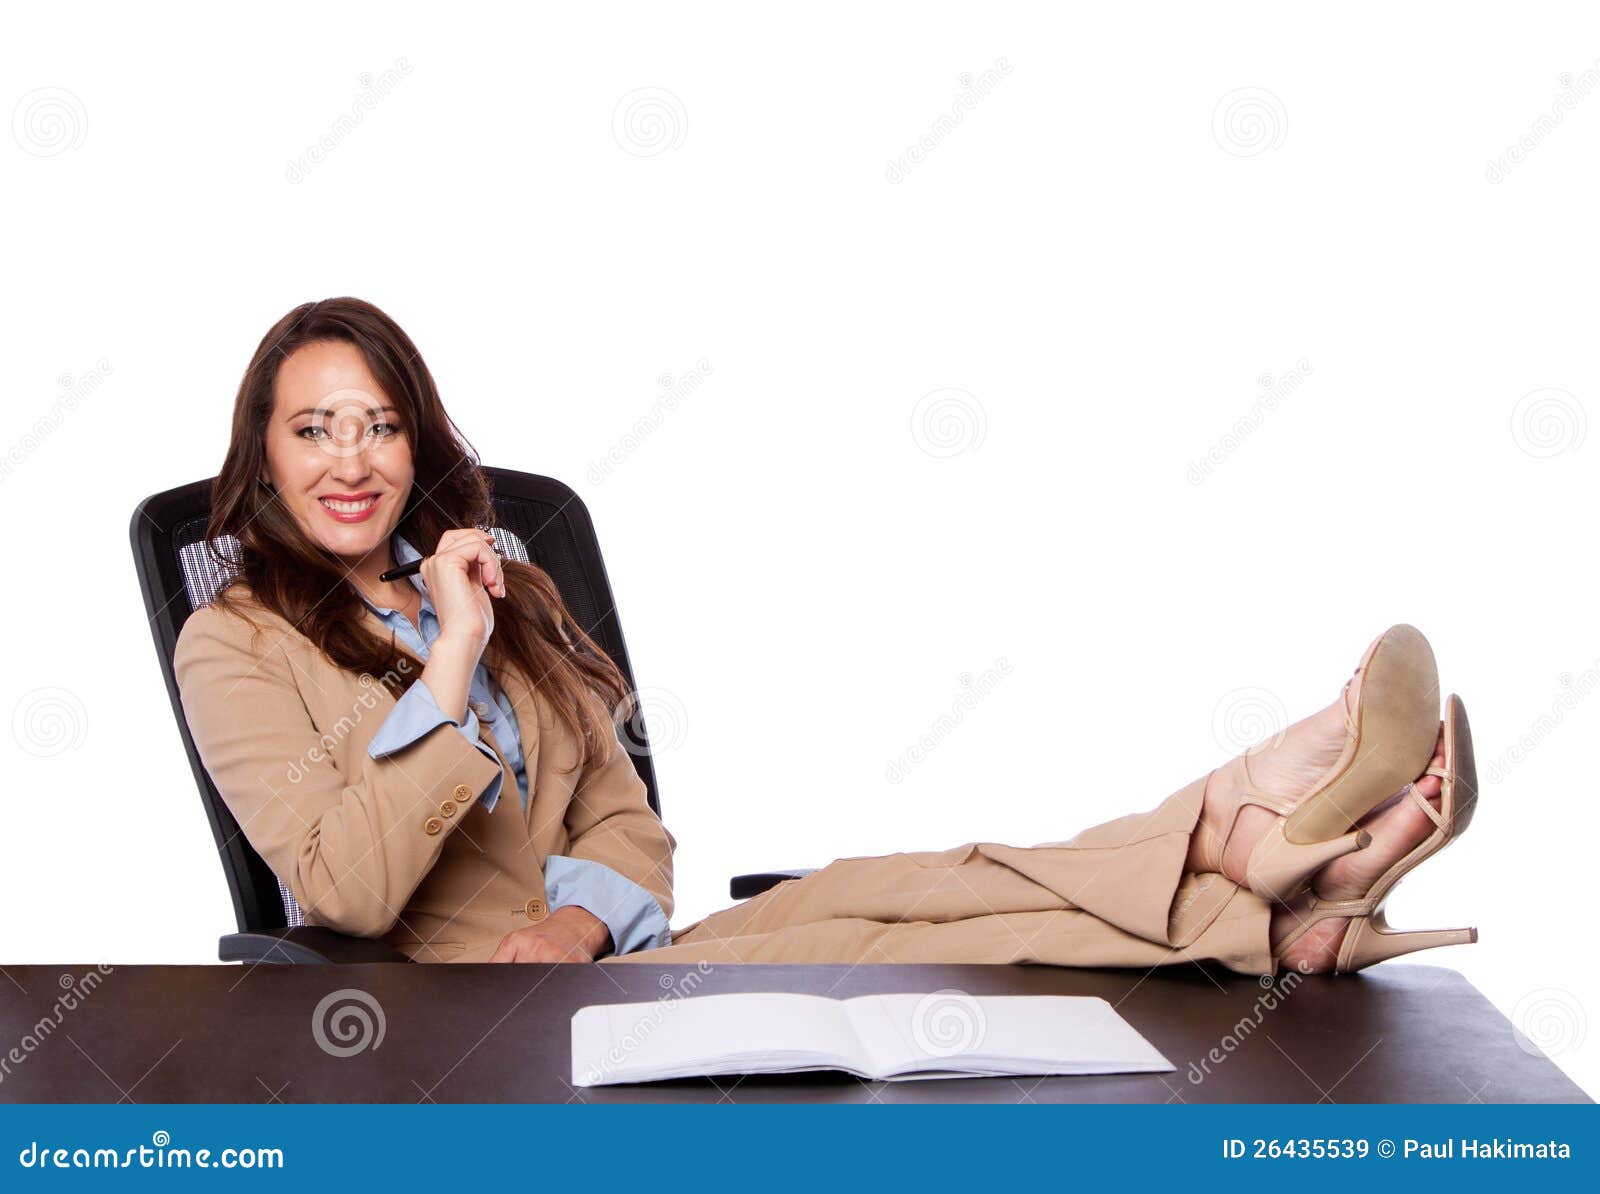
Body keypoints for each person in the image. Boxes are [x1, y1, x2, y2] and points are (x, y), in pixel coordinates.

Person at [174, 297, 1477, 976]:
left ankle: (1279, 888)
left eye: (379, 423)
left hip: (619, 977)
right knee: (935, 938)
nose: (351, 459)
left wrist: (578, 929)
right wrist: (448, 654)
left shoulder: (500, 580)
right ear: (265, 454)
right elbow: (342, 887)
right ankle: (1257, 838)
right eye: (313, 427)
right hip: (461, 1027)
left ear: (418, 438)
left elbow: (631, 824)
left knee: (935, 883)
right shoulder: (234, 643)